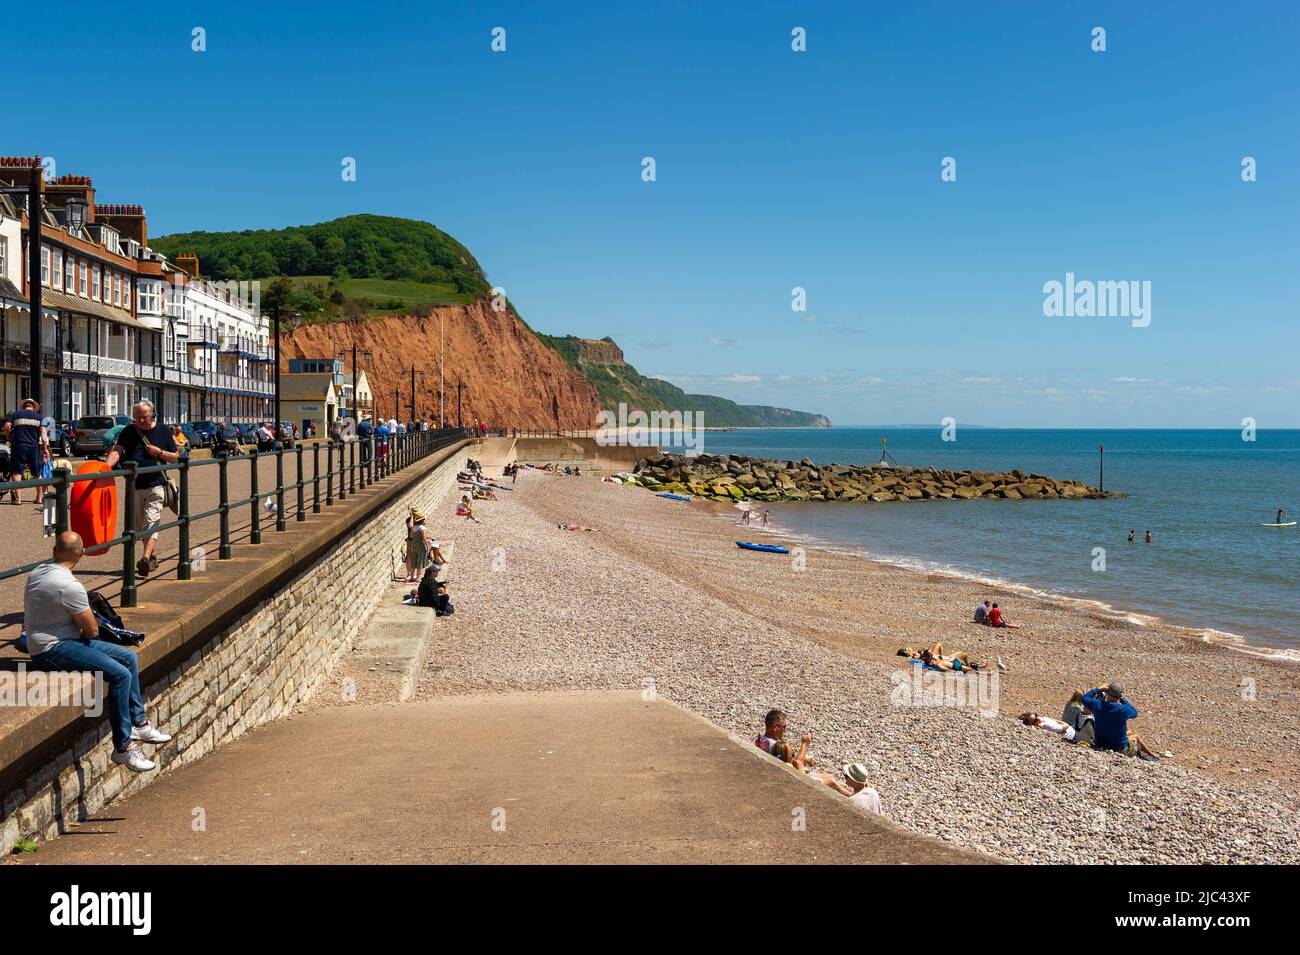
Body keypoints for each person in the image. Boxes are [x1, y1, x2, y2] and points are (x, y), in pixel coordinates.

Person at [24, 532, 171, 772]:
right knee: (120, 675)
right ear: (81, 553)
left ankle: (139, 723)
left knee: (129, 657)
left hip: (50, 641)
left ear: (53, 551)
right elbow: (91, 630)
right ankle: (123, 747)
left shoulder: (38, 572)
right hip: (51, 650)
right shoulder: (70, 586)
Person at [105, 401, 179, 579]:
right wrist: (106, 467)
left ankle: (145, 559)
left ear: (152, 415)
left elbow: (175, 458)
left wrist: (159, 452)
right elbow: (118, 450)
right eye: (137, 417)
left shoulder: (163, 430)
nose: (140, 420)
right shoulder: (129, 431)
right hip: (135, 484)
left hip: (156, 483)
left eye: (144, 417)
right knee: (139, 526)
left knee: (151, 520)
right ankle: (151, 555)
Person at [1081, 683, 1159, 761]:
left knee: (1129, 733)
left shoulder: (1097, 705)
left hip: (1100, 744)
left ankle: (1150, 754)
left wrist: (1098, 689)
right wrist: (1123, 699)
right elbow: (1134, 712)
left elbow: (1084, 698)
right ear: (1119, 696)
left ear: (1107, 693)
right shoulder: (1122, 710)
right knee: (1136, 737)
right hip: (1119, 748)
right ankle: (1152, 755)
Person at [5, 399, 49, 504]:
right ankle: (38, 498)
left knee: (17, 472)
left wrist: (9, 437)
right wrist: (45, 448)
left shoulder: (15, 415)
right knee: (37, 473)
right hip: (34, 448)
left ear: (23, 406)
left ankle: (18, 499)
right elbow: (43, 433)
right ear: (33, 407)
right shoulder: (39, 417)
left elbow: (7, 426)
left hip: (19, 447)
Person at [405, 508, 432, 581]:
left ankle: (411, 577)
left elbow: (410, 531)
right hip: (420, 546)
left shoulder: (413, 527)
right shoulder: (422, 528)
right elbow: (424, 538)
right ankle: (417, 578)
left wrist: (412, 516)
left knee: (414, 561)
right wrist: (427, 546)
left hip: (414, 545)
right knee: (420, 562)